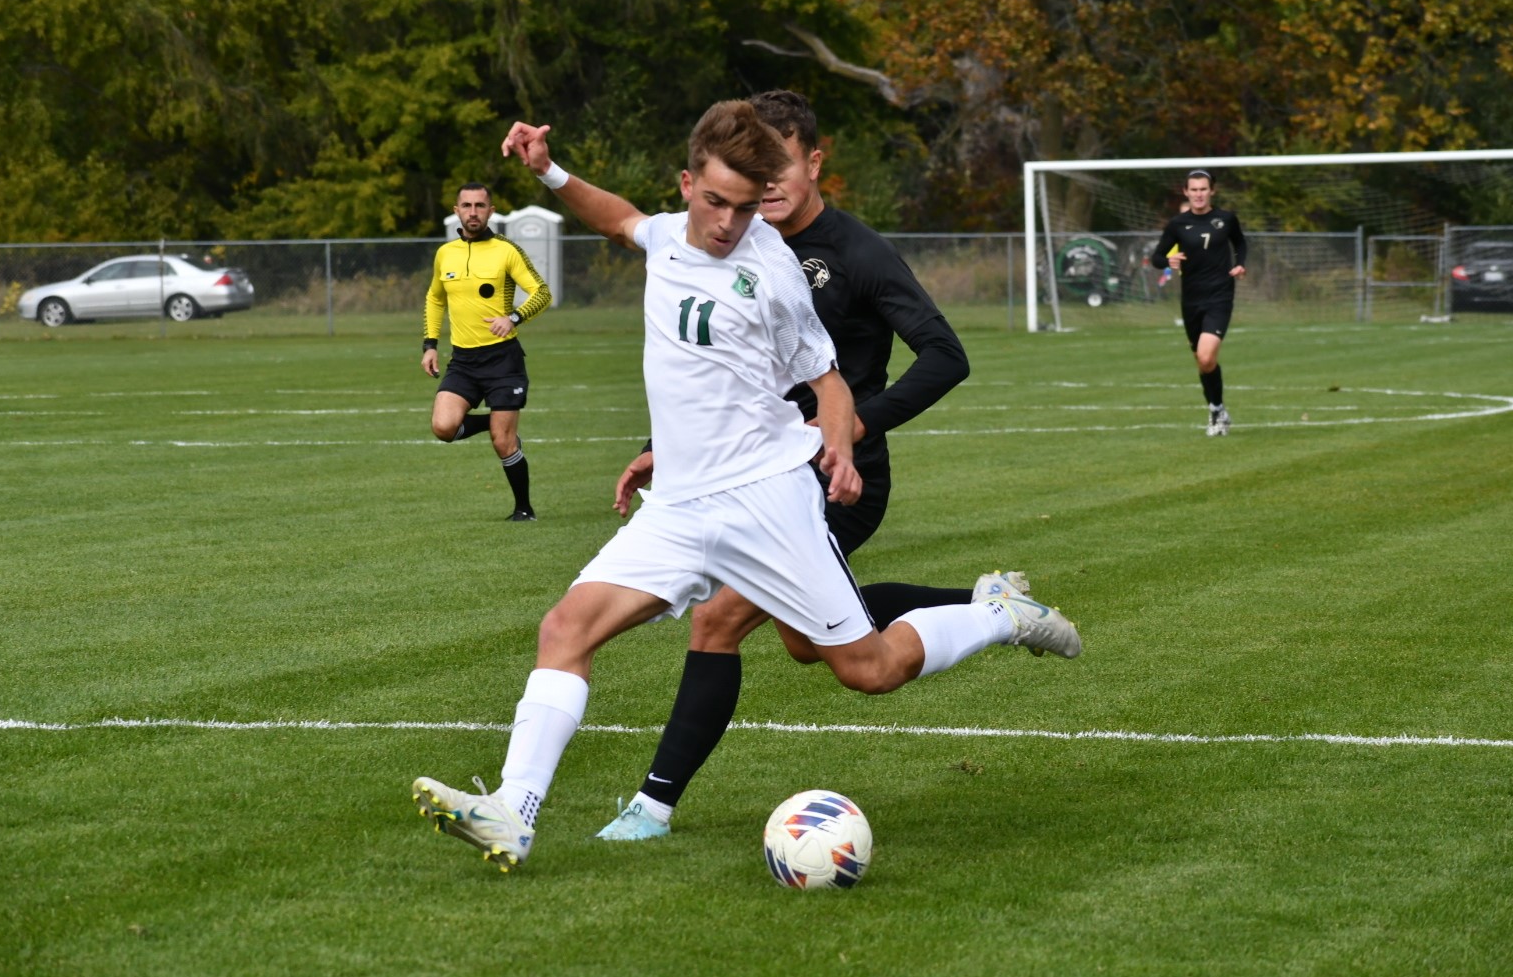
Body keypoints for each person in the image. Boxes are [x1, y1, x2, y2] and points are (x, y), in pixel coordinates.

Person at [411, 100, 1080, 871]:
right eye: (716, 202)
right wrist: (549, 171)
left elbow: (828, 382)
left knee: (865, 668)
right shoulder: (666, 235)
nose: (729, 222)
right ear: (689, 184)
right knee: (565, 629)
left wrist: (843, 451)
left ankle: (996, 612)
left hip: (768, 501)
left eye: (744, 205)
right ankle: (513, 813)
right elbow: (619, 217)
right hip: (682, 507)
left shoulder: (774, 271)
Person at [596, 89, 1027, 843]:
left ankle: (651, 807)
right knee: (809, 643)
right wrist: (661, 444)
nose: (761, 192)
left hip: (832, 478)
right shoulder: (730, 240)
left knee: (717, 620)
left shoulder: (855, 251)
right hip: (749, 473)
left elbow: (946, 355)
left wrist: (853, 426)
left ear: (814, 160)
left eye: (779, 169)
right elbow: (712, 364)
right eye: (751, 176)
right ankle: (985, 600)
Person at [421, 182, 552, 520]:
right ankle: (497, 423)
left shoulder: (506, 250)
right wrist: (430, 345)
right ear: (456, 211)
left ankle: (524, 509)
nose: (474, 212)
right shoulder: (445, 253)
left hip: (503, 360)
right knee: (443, 427)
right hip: (463, 361)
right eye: (467, 205)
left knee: (503, 443)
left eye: (480, 206)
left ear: (491, 211)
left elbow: (541, 292)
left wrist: (514, 317)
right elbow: (435, 298)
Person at [1150, 170, 1246, 436]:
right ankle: (1218, 409)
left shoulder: (1225, 219)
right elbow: (1157, 257)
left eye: (1203, 189)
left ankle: (1216, 411)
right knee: (1203, 362)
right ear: (1186, 192)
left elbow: (1240, 242)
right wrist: (1167, 261)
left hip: (1220, 296)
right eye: (1194, 190)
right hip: (1191, 299)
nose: (1199, 194)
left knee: (1206, 355)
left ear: (1211, 191)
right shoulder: (1178, 224)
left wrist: (1240, 264)